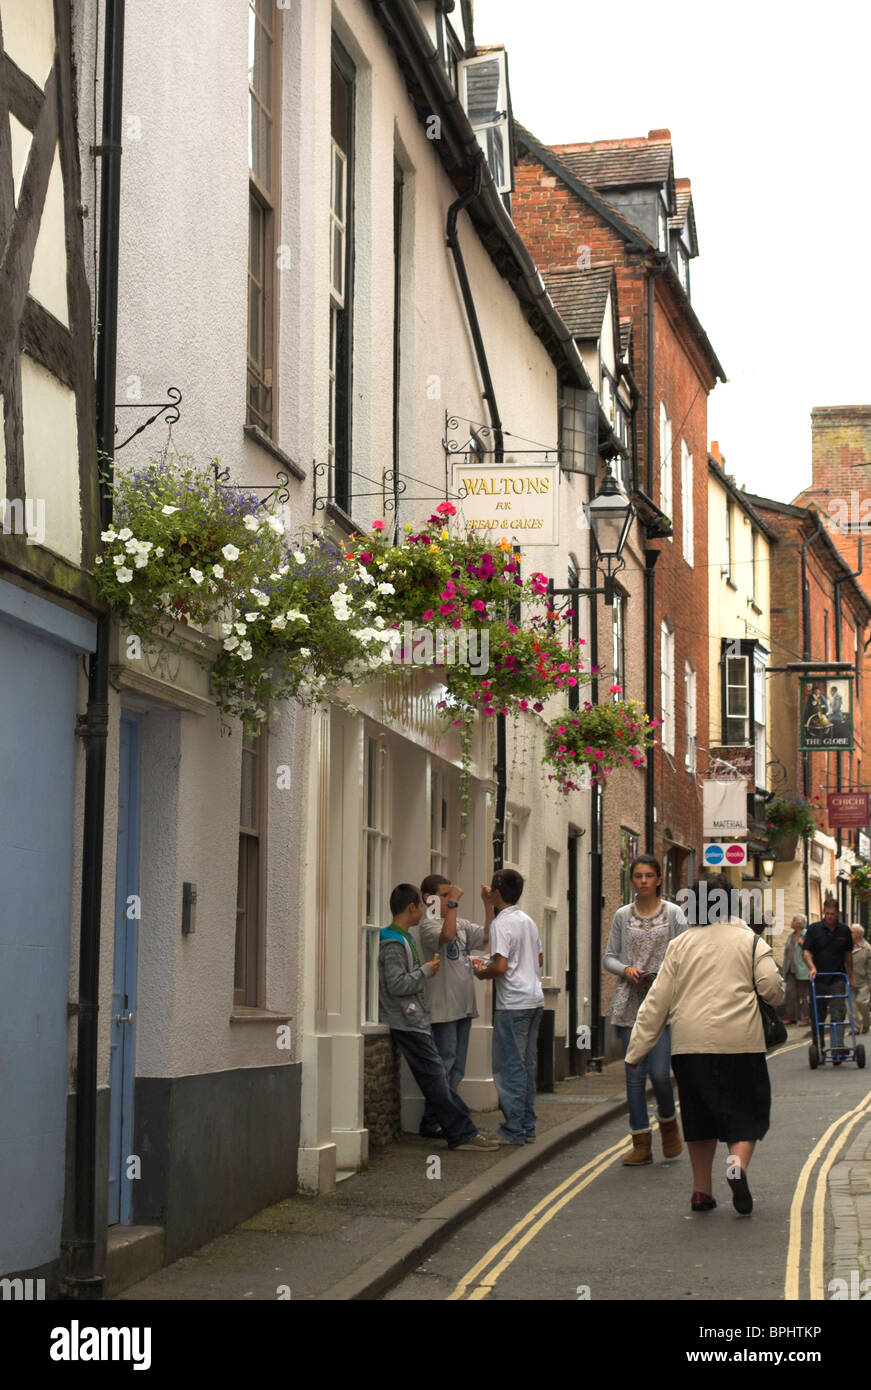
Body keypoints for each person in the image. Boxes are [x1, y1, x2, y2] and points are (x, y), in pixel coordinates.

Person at [626, 874, 783, 1215]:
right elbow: (771, 987)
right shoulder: (750, 941)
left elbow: (657, 1001)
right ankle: (736, 1167)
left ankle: (701, 1192)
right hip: (740, 1043)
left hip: (689, 1045)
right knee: (746, 1112)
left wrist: (637, 1049)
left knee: (698, 1117)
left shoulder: (680, 946)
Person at [378, 883, 499, 1150]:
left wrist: (488, 904)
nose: (423, 911)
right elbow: (397, 985)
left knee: (439, 1077)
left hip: (417, 1018)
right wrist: (425, 971)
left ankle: (457, 1129)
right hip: (410, 1019)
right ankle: (460, 1131)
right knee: (437, 1077)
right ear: (416, 905)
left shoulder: (404, 937)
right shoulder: (404, 937)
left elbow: (489, 935)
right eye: (440, 898)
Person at [604, 853, 688, 1165]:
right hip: (630, 1003)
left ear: (658, 879)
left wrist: (664, 975)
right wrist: (625, 970)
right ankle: (640, 1143)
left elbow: (684, 954)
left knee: (661, 1075)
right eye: (637, 876)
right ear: (632, 880)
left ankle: (668, 1125)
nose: (643, 882)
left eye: (648, 876)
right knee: (634, 1075)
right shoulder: (622, 915)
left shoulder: (675, 914)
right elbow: (608, 957)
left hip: (664, 1004)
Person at [417, 874, 492, 1139]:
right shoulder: (428, 924)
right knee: (444, 1065)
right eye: (445, 895)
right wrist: (453, 905)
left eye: (452, 895)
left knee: (456, 1068)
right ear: (430, 899)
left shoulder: (458, 921)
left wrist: (488, 906)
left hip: (463, 1006)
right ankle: (434, 1121)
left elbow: (485, 936)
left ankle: (441, 1120)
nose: (452, 900)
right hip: (443, 1007)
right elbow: (446, 937)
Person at [472, 868, 544, 1146]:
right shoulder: (528, 921)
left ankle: (514, 1129)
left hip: (512, 1003)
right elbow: (538, 958)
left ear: (496, 893)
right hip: (534, 999)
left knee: (508, 1067)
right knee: (525, 1065)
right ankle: (527, 1125)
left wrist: (481, 970)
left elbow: (500, 966)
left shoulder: (501, 924)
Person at [803, 899, 854, 1060]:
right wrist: (812, 967)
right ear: (824, 913)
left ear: (837, 913)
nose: (830, 917)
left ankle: (838, 1048)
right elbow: (806, 952)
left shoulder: (844, 931)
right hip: (818, 978)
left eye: (833, 914)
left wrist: (850, 977)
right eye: (827, 914)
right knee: (818, 1015)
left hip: (838, 977)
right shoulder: (814, 929)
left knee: (838, 1013)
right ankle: (818, 1047)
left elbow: (848, 955)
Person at [781, 914, 810, 1025]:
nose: (791, 922)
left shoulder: (806, 935)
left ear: (798, 923)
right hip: (790, 969)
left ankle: (805, 1018)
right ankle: (791, 1017)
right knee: (790, 993)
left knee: (803, 995)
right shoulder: (790, 936)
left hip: (803, 970)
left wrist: (805, 944)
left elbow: (812, 950)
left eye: (793, 920)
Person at [850, 925, 871, 1034]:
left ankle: (866, 1023)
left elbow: (870, 968)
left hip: (863, 982)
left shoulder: (867, 948)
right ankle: (856, 1028)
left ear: (857, 935)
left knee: (861, 1002)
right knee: (851, 1005)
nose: (849, 934)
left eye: (851, 932)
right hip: (849, 980)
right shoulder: (847, 946)